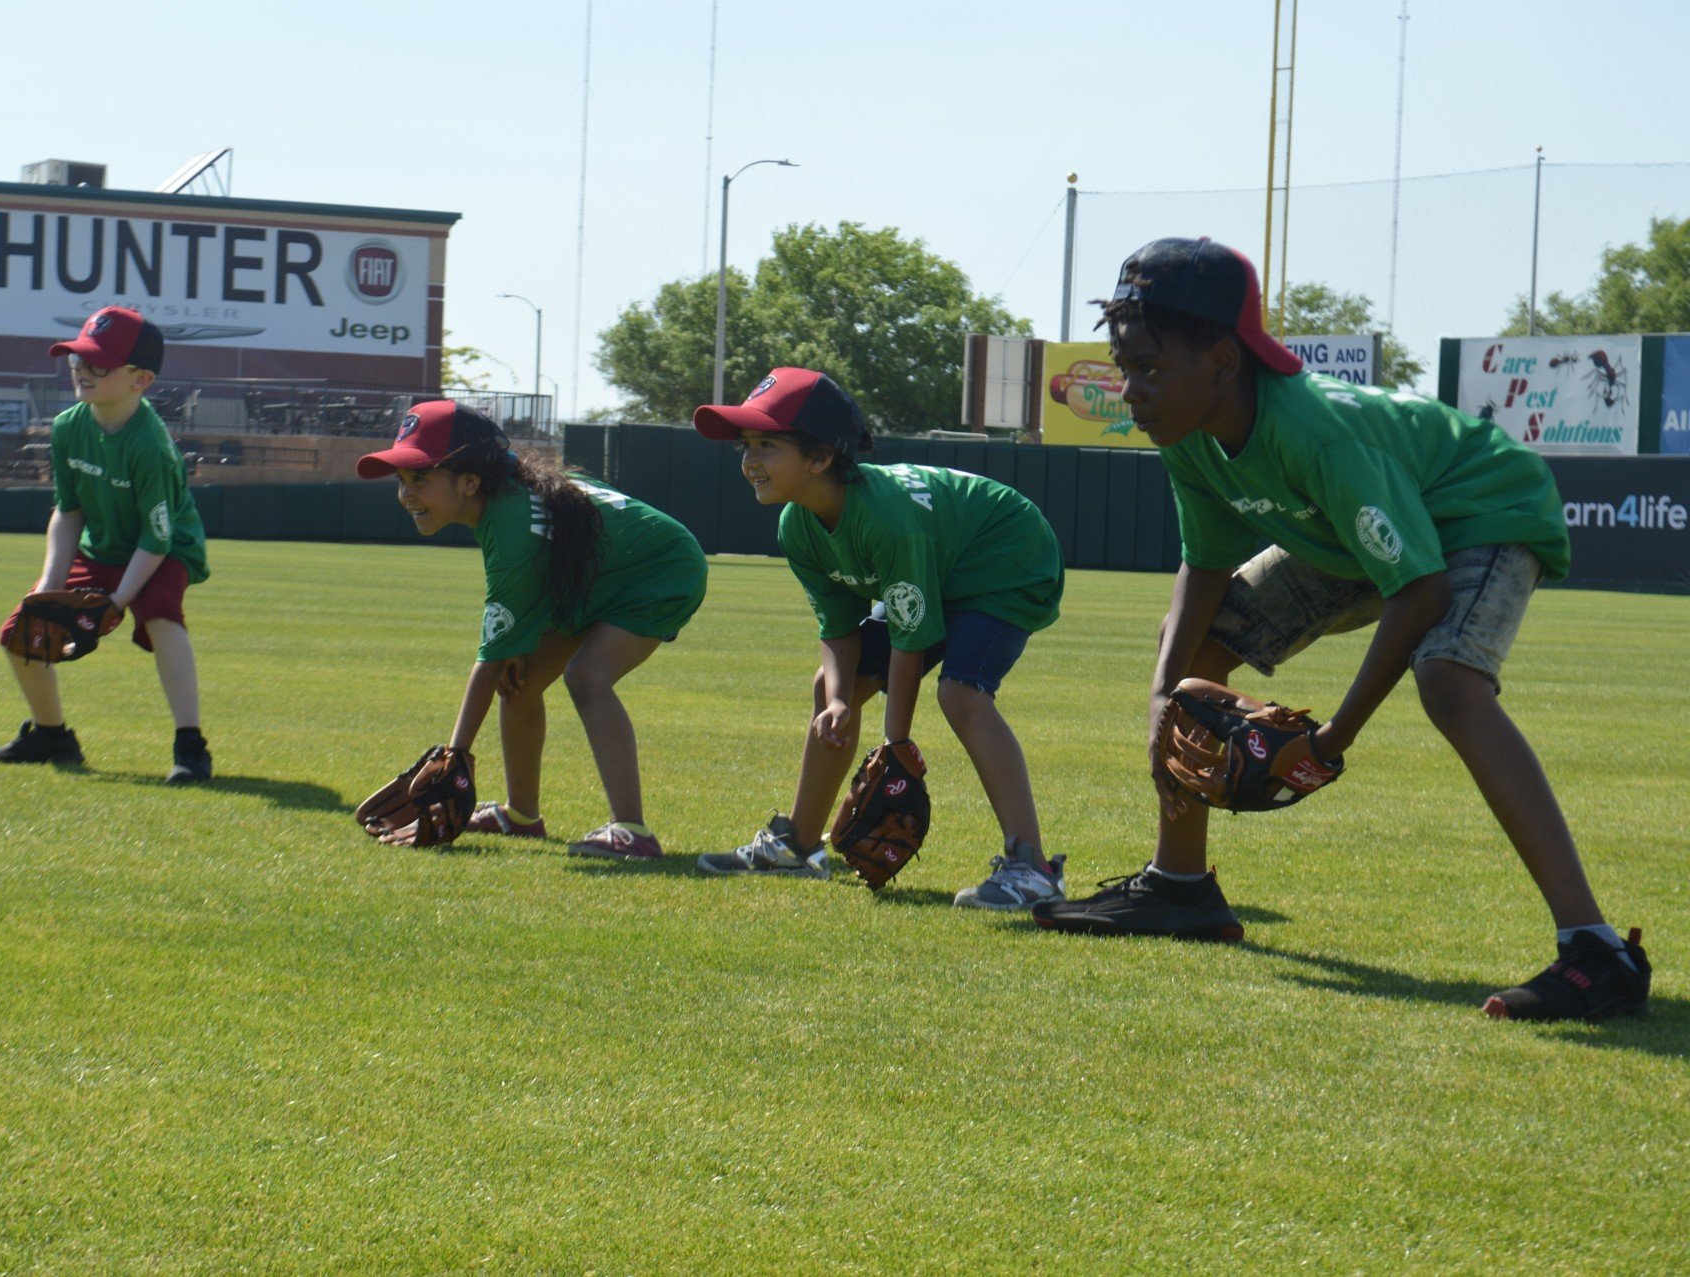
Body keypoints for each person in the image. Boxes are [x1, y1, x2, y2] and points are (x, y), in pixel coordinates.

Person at [1033, 237, 1649, 1022]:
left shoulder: (1315, 431)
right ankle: (1180, 885)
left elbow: (1420, 588)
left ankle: (1598, 949)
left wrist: (1329, 744)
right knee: (1192, 649)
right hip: (1350, 527)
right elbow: (1205, 565)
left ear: (1222, 361)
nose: (1130, 391)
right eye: (1124, 367)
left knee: (1449, 683)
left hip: (1476, 512)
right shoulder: (1188, 432)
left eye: (1148, 368)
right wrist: (1163, 692)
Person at [691, 368, 1067, 910]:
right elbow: (838, 631)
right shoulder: (796, 526)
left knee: (961, 694)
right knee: (828, 686)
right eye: (746, 446)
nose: (749, 460)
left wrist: (896, 747)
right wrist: (842, 699)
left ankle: (1032, 867)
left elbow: (911, 640)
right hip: (941, 561)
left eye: (767, 445)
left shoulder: (886, 520)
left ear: (820, 458)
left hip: (1007, 558)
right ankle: (797, 846)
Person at [355, 400, 708, 860]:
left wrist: (454, 757)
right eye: (401, 480)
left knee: (587, 676)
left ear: (469, 481)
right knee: (517, 684)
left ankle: (632, 831)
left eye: (420, 477)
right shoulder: (502, 505)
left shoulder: (511, 525)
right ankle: (522, 815)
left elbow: (487, 660)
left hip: (660, 570)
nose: (406, 493)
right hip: (592, 577)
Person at [0, 307, 213, 784]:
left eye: (99, 364)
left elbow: (157, 536)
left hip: (163, 549)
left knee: (162, 616)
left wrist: (116, 603)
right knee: (20, 633)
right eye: (78, 360)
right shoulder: (68, 427)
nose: (83, 371)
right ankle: (52, 736)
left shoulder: (151, 445)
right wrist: (48, 585)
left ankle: (191, 746)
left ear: (140, 379)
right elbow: (68, 511)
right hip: (101, 544)